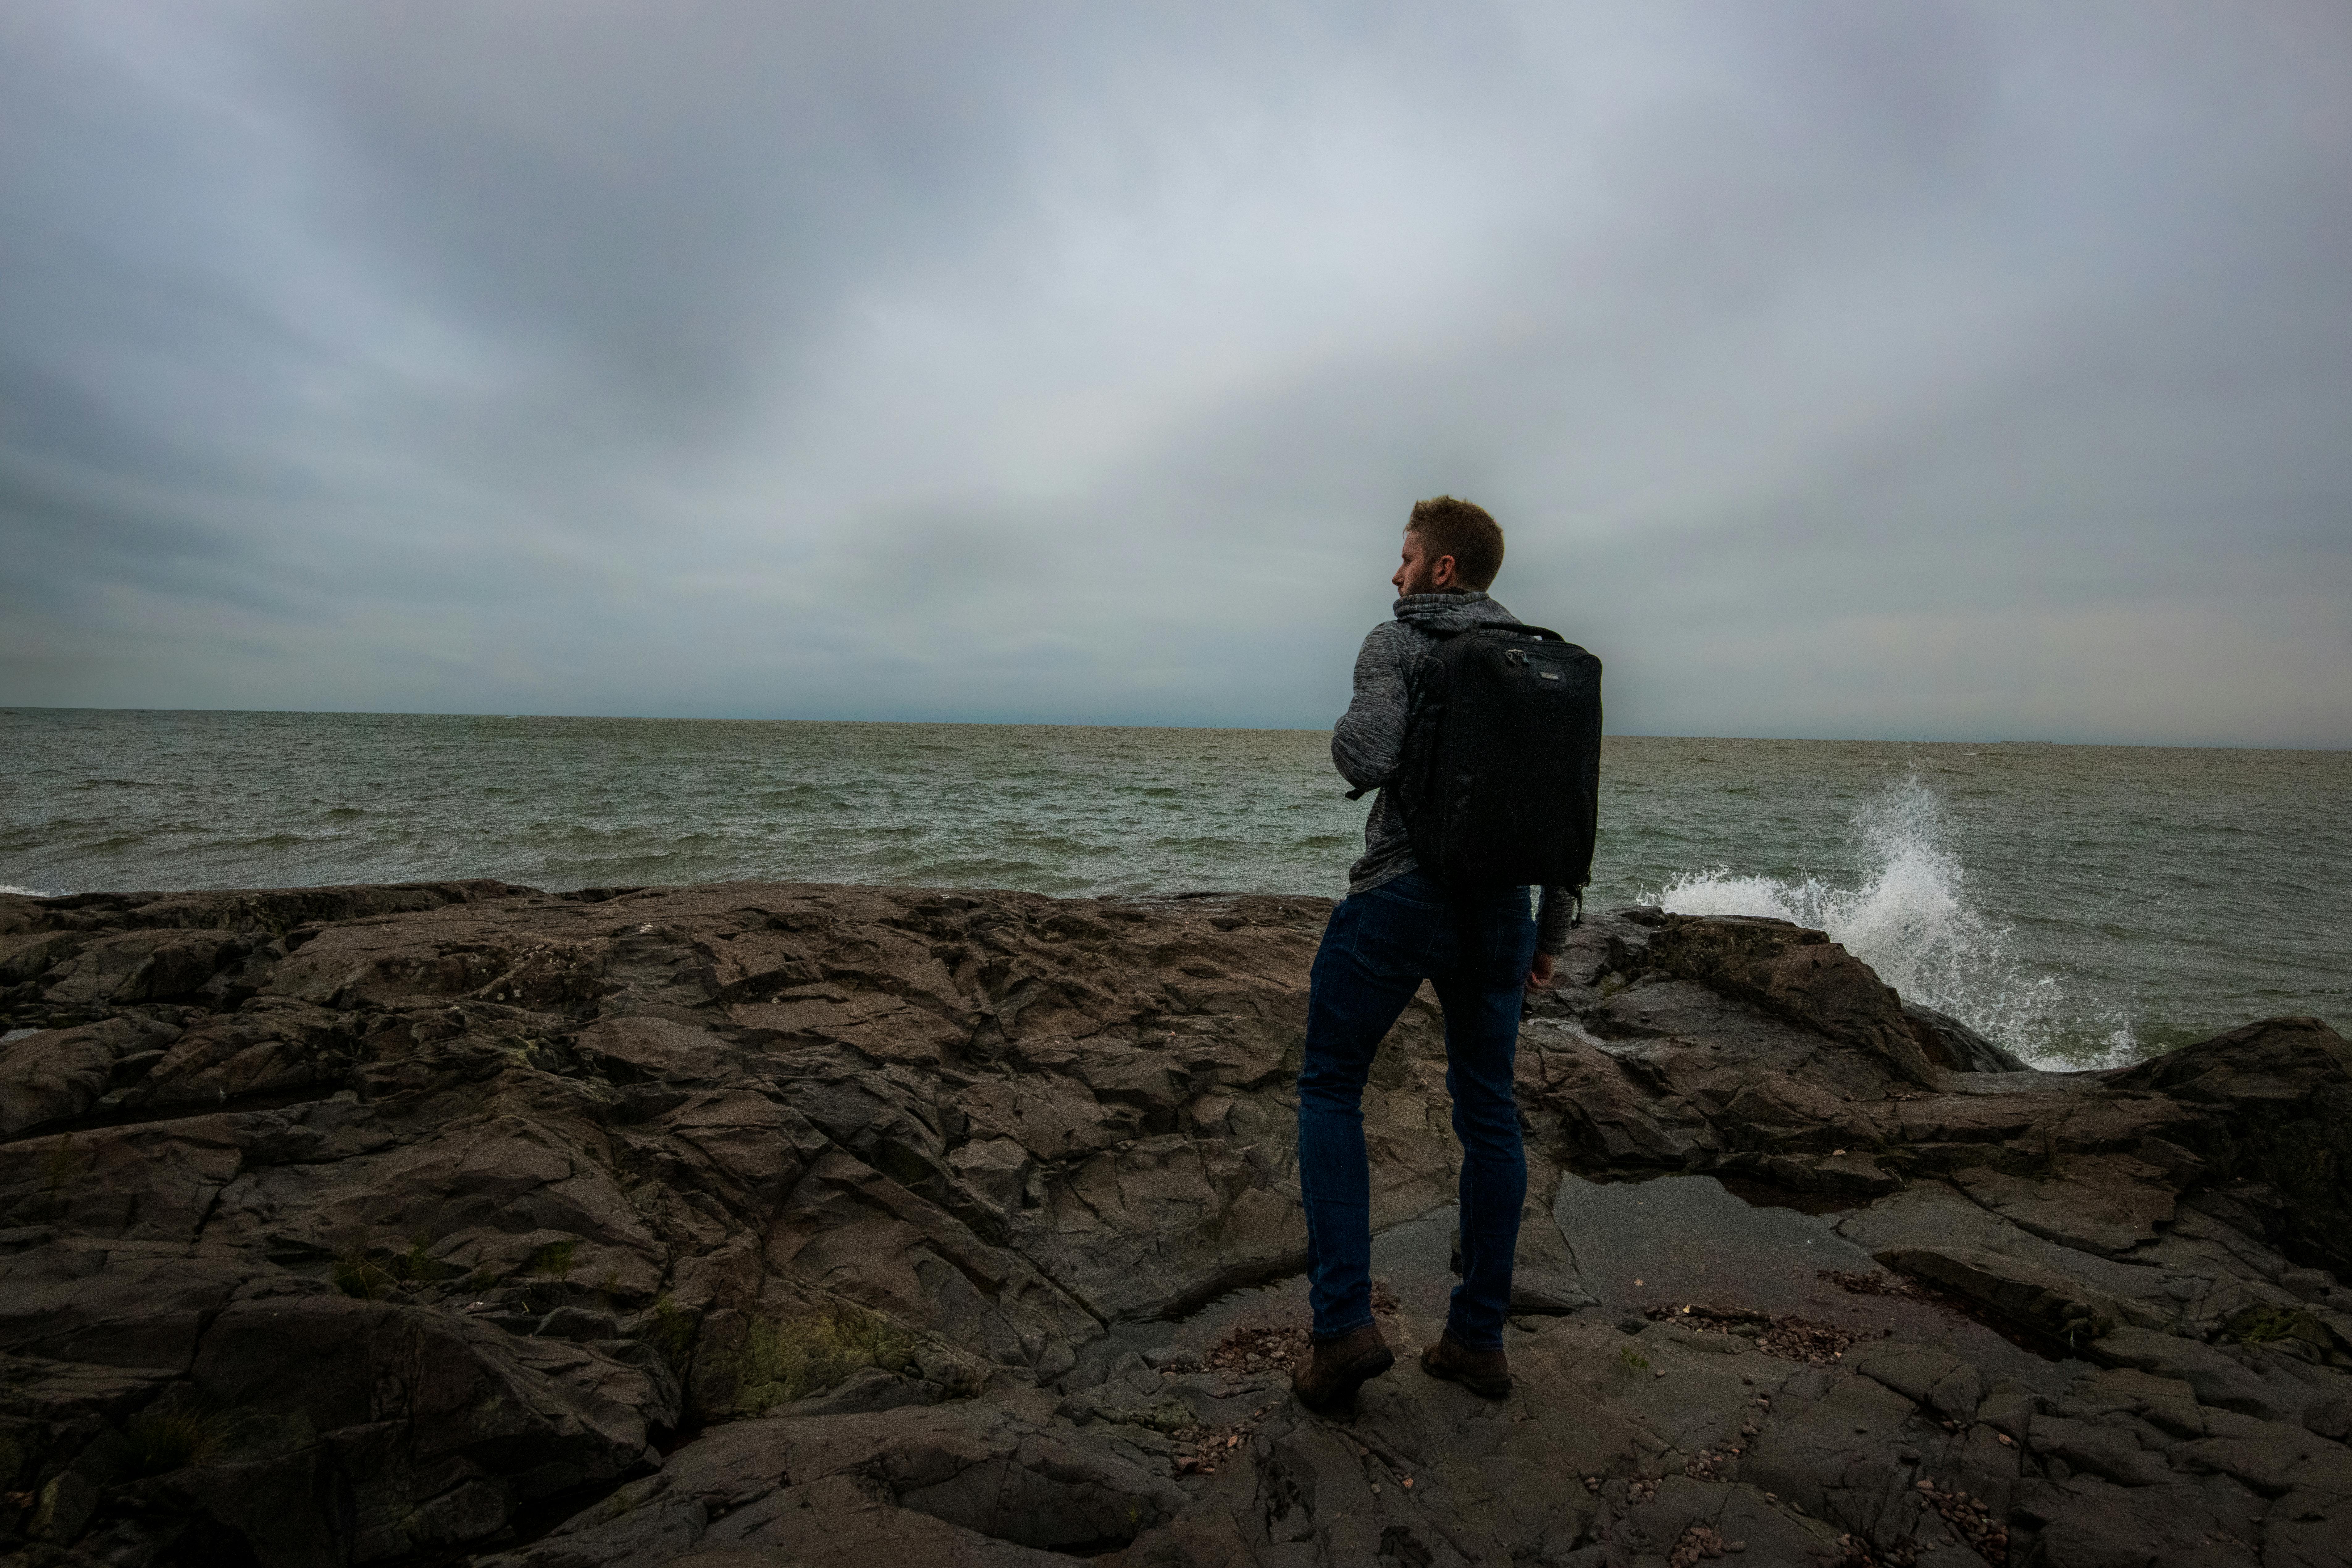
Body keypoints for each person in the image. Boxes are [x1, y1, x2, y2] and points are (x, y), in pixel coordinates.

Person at [1290, 495, 1578, 1410]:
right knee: (1489, 1114)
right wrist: (1550, 933)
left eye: (1405, 556)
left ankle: (1341, 1329)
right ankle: (1477, 1343)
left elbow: (1361, 760)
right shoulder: (1543, 657)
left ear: (1441, 570)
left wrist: (1362, 711)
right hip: (1501, 909)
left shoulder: (1399, 639)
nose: (1395, 572)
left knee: (1331, 1088)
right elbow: (1565, 807)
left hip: (1401, 895)